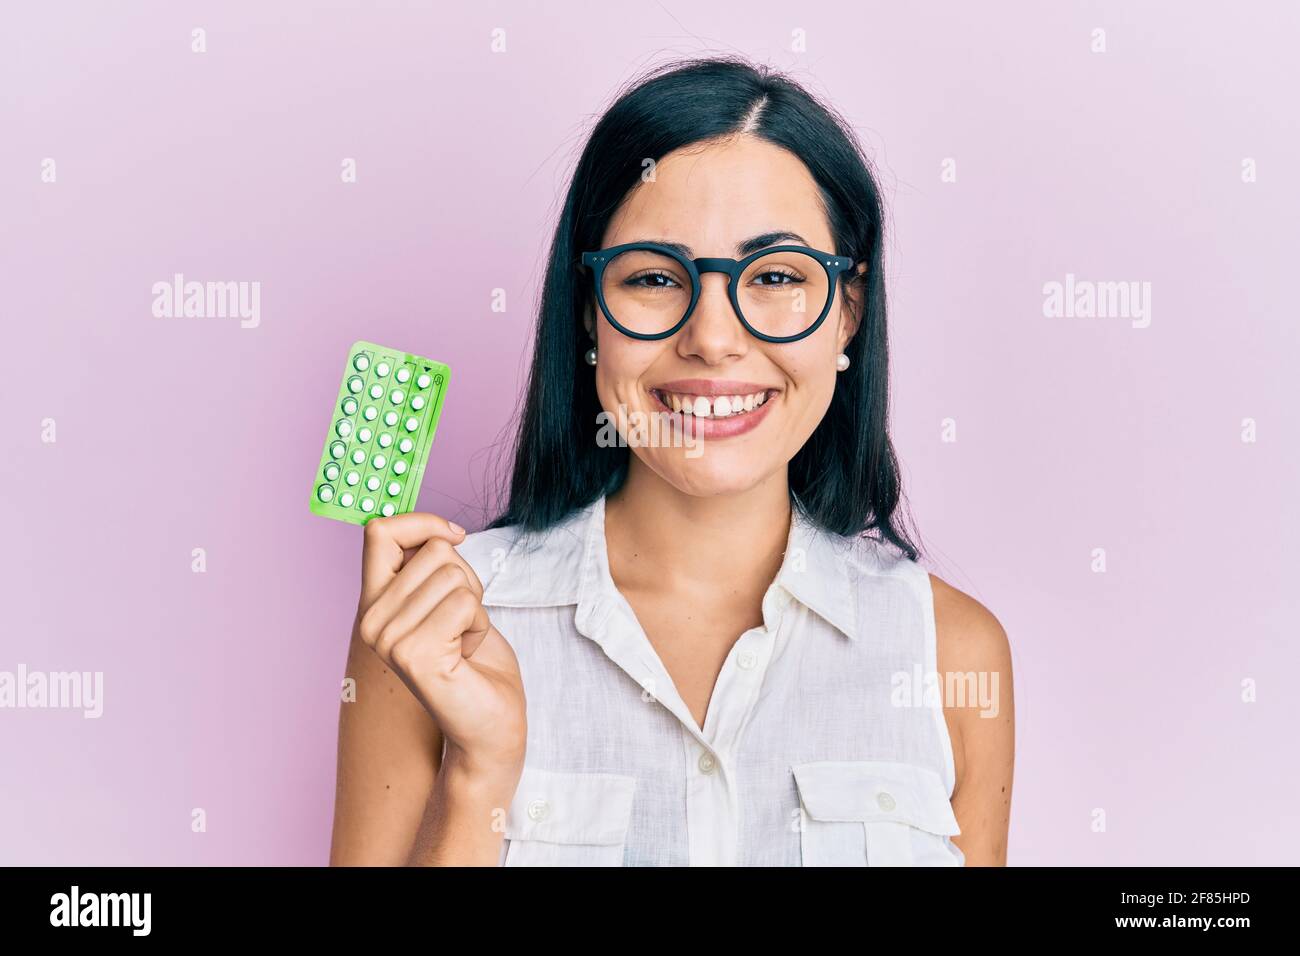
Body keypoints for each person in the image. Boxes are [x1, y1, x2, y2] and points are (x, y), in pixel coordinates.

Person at [330, 55, 1014, 866]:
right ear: (589, 315)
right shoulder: (430, 636)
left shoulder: (954, 655)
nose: (714, 338)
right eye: (656, 276)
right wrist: (478, 777)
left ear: (848, 317)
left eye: (776, 276)